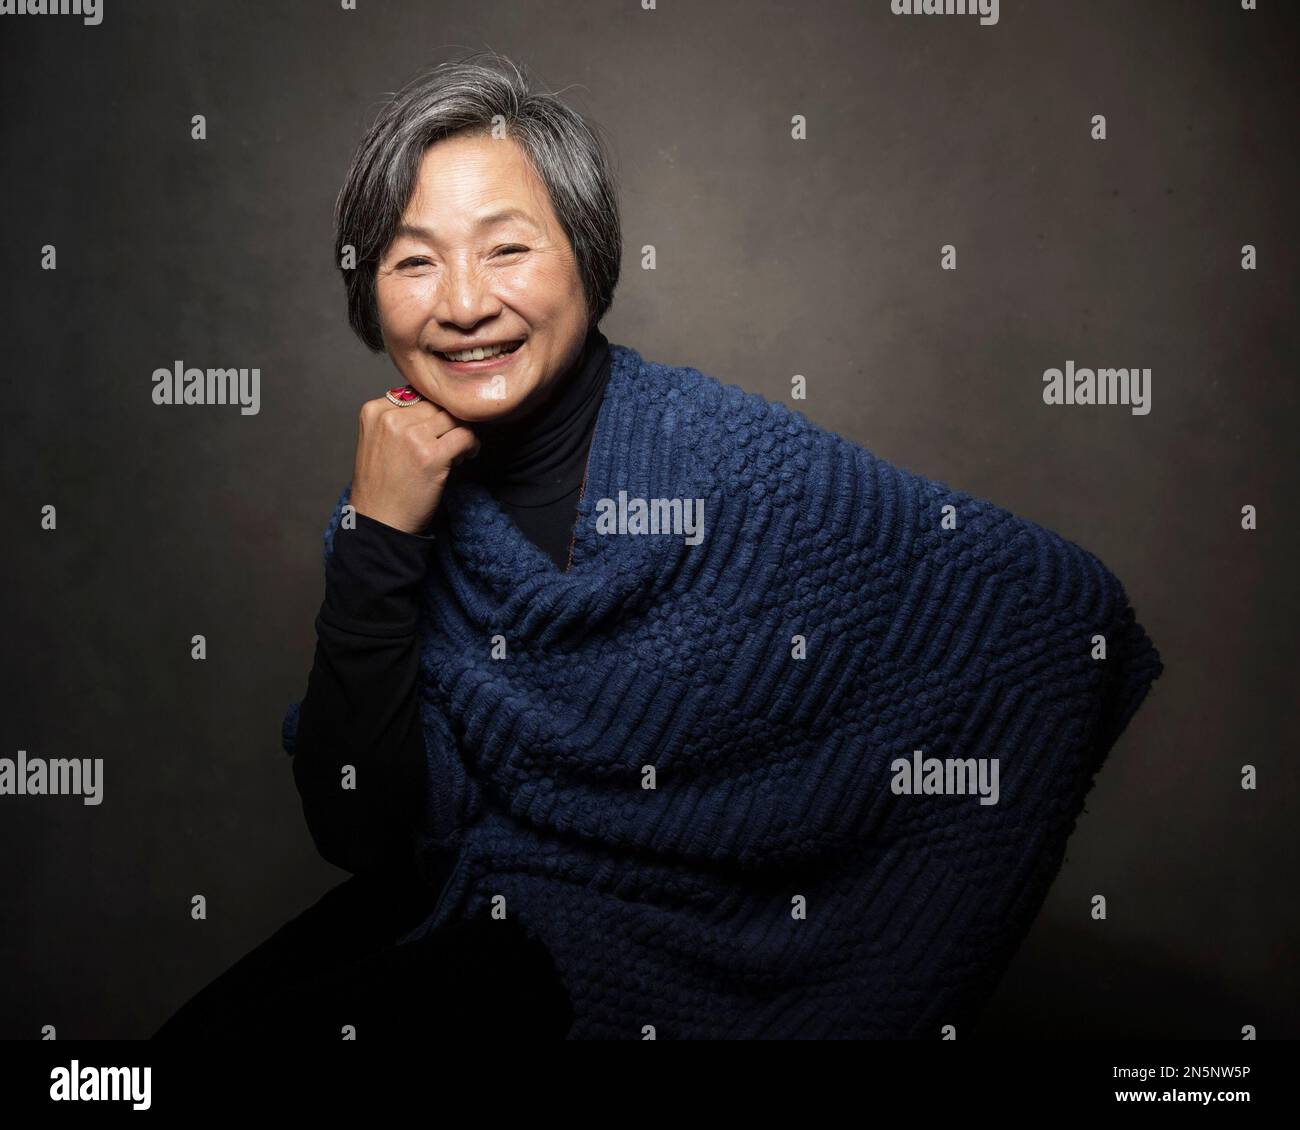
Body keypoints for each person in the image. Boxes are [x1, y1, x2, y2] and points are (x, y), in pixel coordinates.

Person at [158, 52, 1161, 1042]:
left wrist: (883, 930)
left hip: (702, 947)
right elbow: (360, 833)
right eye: (414, 260)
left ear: (586, 258)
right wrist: (375, 540)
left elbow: (1062, 616)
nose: (461, 303)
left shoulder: (738, 461)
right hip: (494, 896)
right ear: (369, 291)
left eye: (506, 249)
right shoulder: (388, 493)